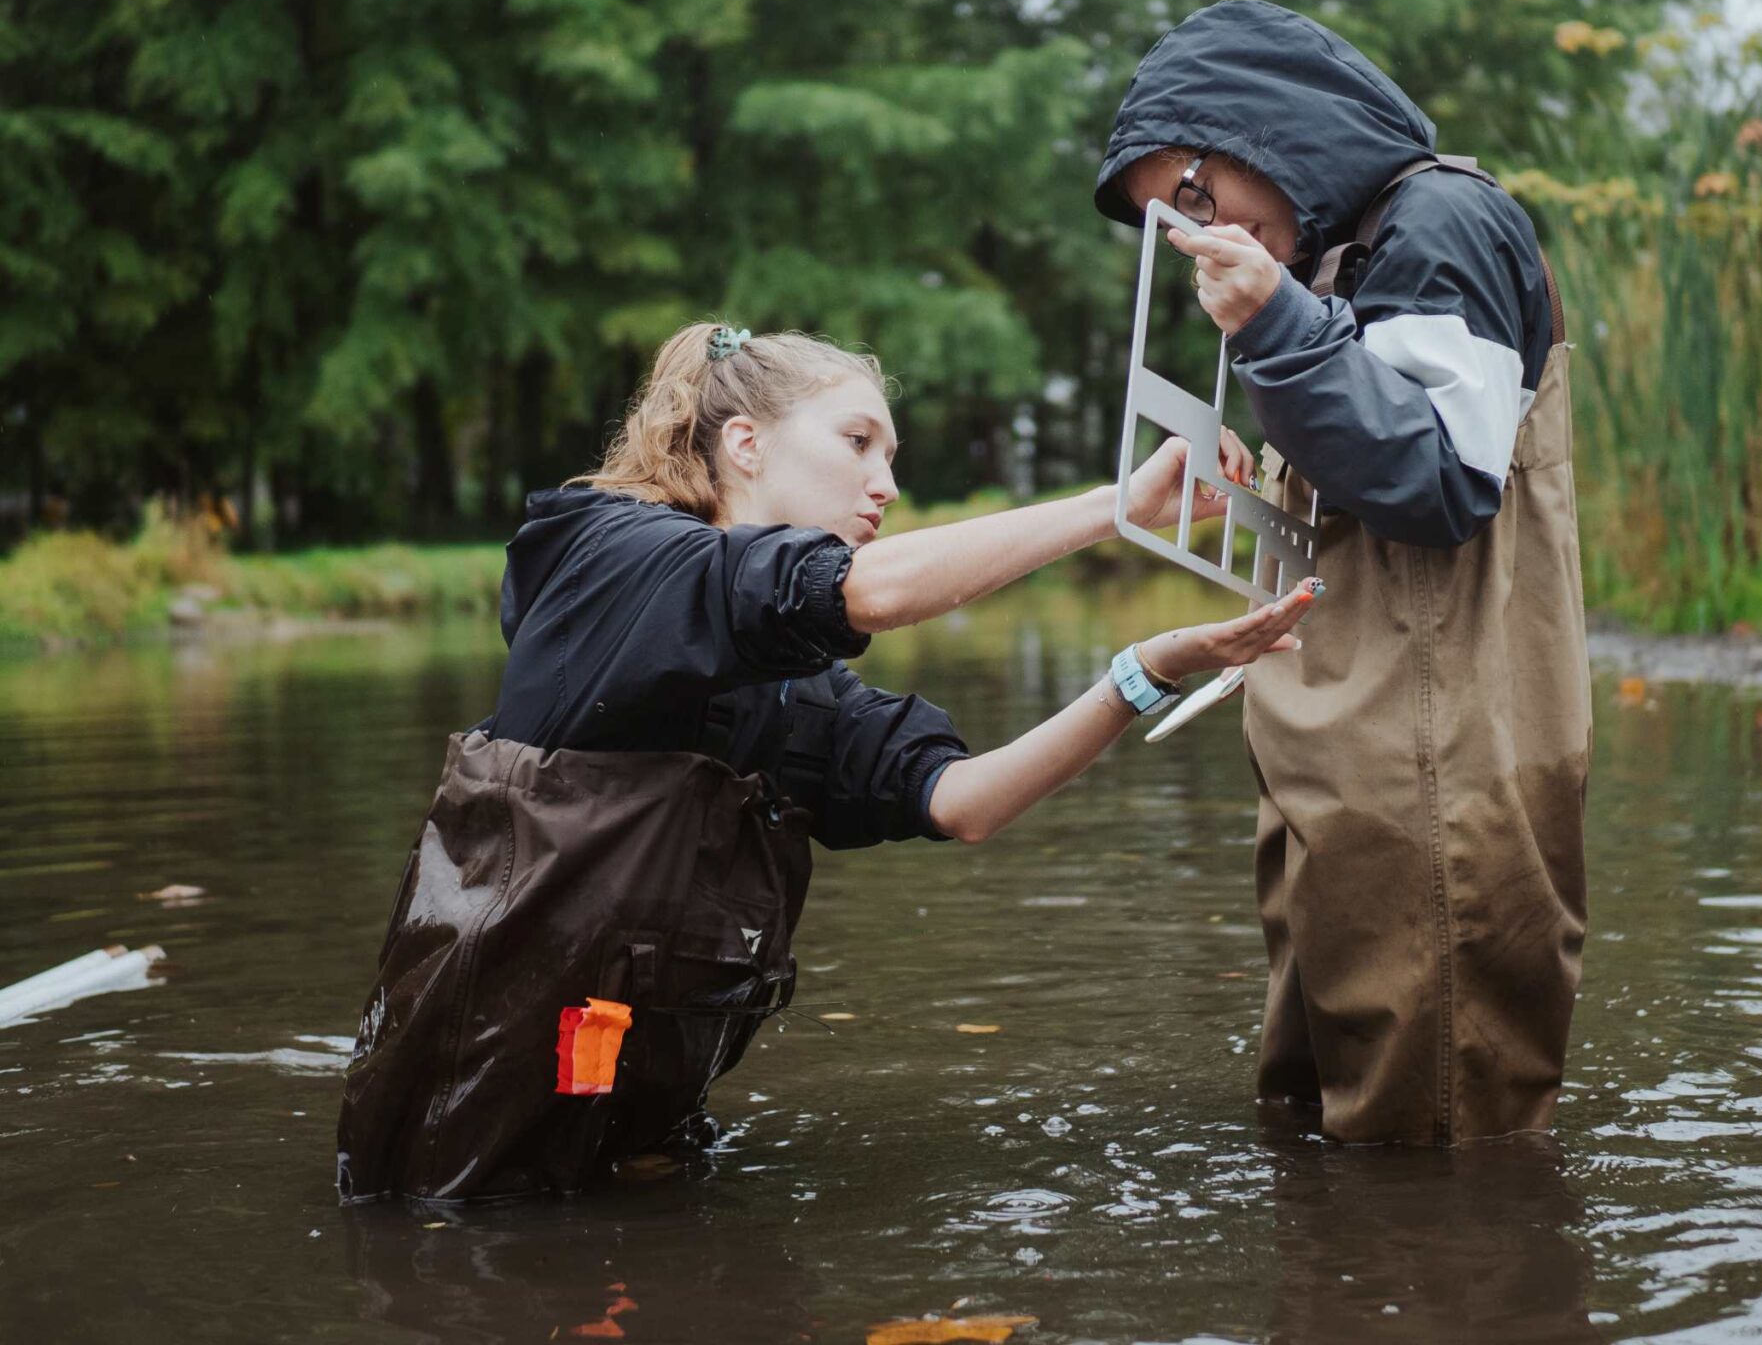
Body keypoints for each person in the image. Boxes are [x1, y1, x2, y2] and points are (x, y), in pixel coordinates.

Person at [335, 321, 1315, 1202]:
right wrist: (1120, 508)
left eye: (890, 454)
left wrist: (1140, 674)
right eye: (856, 443)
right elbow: (866, 596)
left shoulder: (795, 690)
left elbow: (963, 802)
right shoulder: (609, 561)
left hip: (629, 1142)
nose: (884, 482)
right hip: (456, 1147)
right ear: (744, 444)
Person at [1095, 0, 1591, 1146]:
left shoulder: (1439, 222)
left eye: (1189, 200)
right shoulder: (1333, 253)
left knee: (1434, 1127)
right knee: (1318, 1103)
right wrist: (1247, 480)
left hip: (1426, 745)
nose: (1186, 238)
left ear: (1262, 133)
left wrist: (1275, 328)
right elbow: (1365, 459)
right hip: (1350, 738)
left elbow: (1439, 483)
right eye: (1164, 226)